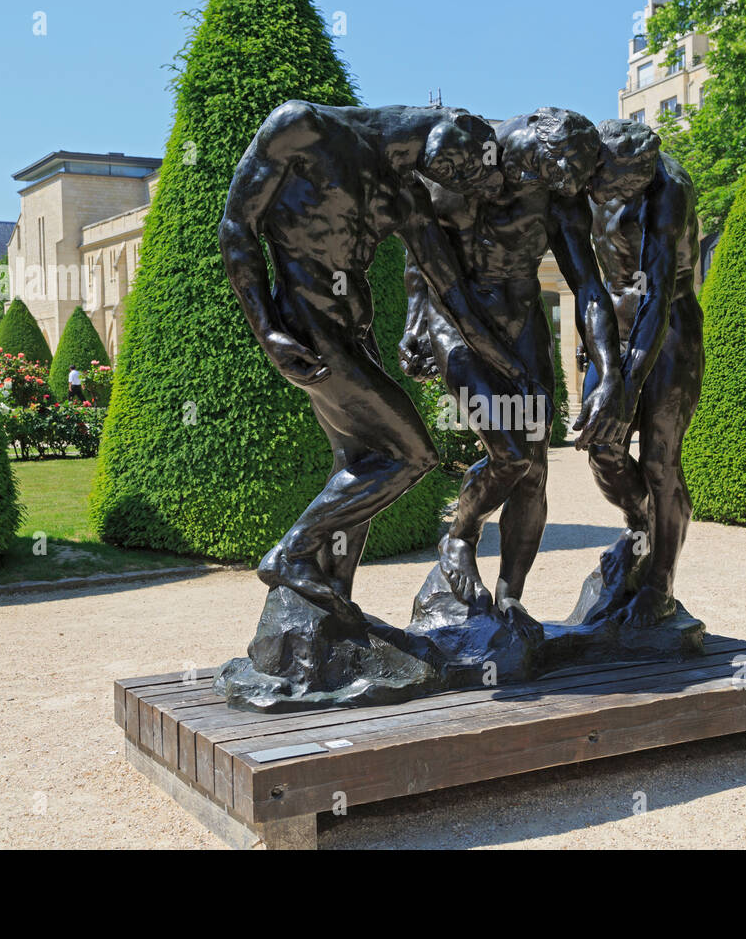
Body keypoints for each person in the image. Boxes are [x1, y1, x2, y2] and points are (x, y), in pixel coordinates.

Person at [219, 102, 525, 631]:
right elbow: (235, 226)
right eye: (467, 161)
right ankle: (292, 553)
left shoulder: (403, 194)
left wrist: (512, 369)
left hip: (354, 334)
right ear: (449, 116)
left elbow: (449, 289)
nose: (461, 176)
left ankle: (334, 599)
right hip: (308, 327)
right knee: (409, 454)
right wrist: (267, 330)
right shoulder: (303, 127)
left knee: (356, 466)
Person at [400, 107, 632, 615]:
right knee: (510, 452)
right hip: (456, 320)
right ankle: (459, 536)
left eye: (545, 183)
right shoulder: (459, 169)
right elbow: (419, 245)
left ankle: (510, 600)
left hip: (522, 325)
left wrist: (610, 372)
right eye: (532, 173)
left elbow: (588, 287)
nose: (531, 186)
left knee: (534, 471)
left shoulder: (554, 186)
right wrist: (415, 319)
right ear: (525, 140)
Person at [579, 118, 704, 627]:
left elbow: (654, 292)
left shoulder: (668, 186)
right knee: (600, 445)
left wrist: (625, 386)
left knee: (659, 462)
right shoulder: (589, 174)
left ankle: (660, 582)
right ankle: (642, 529)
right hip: (613, 321)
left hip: (669, 324)